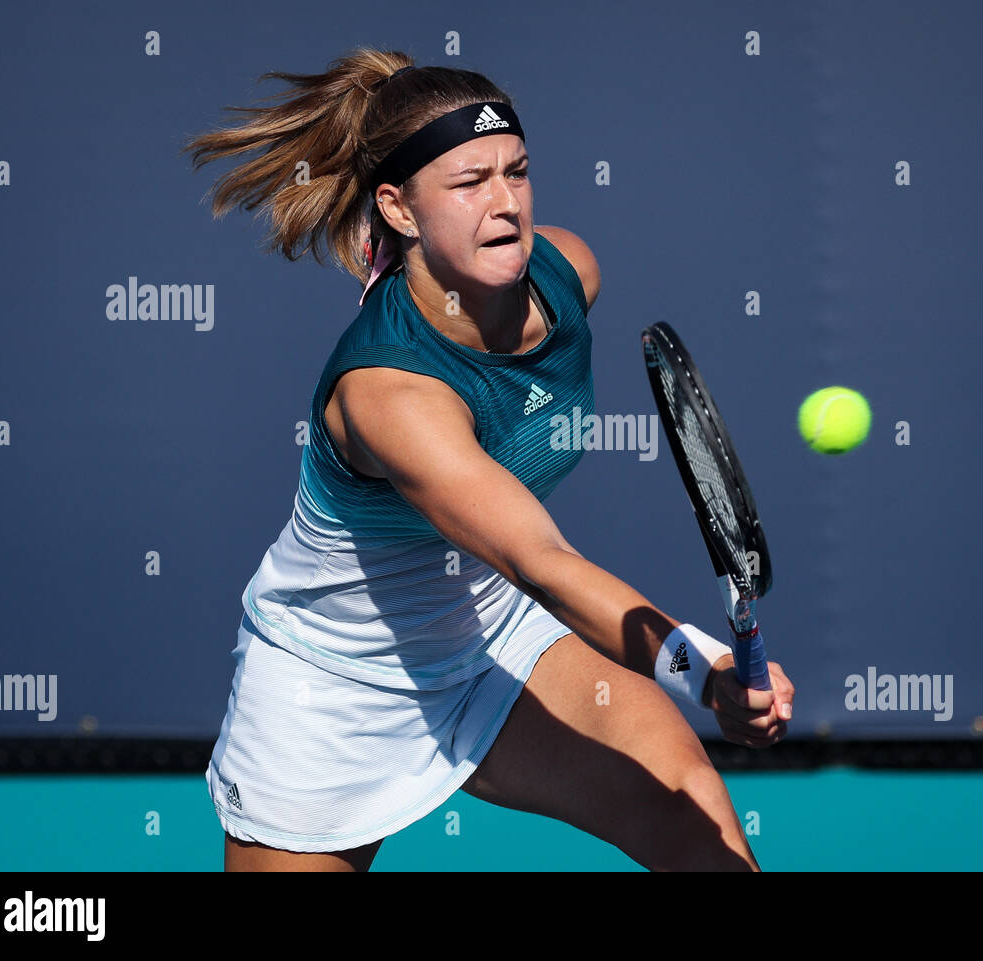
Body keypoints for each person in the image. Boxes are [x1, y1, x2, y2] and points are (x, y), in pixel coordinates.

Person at [183, 47, 795, 872]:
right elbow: (543, 563)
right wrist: (705, 669)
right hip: (332, 688)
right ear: (399, 209)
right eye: (470, 182)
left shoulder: (569, 275)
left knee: (694, 821)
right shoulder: (391, 394)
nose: (506, 202)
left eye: (518, 172)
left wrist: (711, 667)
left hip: (490, 636)